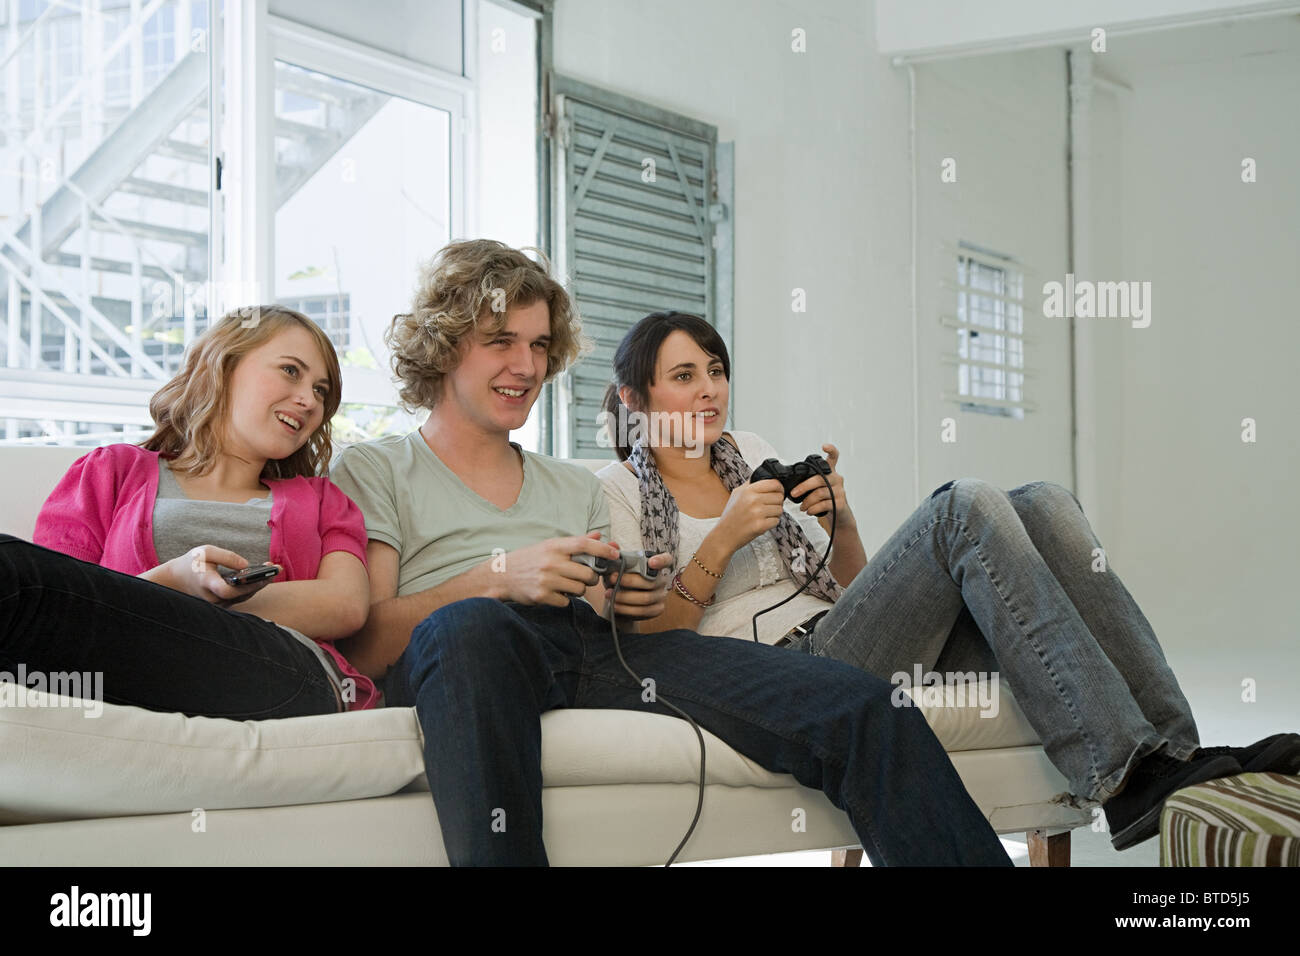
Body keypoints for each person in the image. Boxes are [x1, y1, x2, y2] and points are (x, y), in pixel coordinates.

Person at [329, 239, 1012, 867]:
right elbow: (365, 647)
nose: (526, 366)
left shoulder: (573, 484)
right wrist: (500, 578)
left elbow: (621, 627)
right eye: (501, 341)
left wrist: (635, 596)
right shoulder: (379, 469)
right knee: (471, 625)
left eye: (539, 345)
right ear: (446, 346)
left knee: (862, 705)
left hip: (590, 650)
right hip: (467, 651)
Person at [595, 310, 1300, 852]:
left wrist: (839, 523)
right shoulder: (617, 492)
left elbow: (851, 586)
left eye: (714, 368)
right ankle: (1124, 775)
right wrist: (721, 539)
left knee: (1045, 502)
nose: (710, 388)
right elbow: (653, 647)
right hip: (784, 677)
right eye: (683, 375)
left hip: (839, 634)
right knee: (961, 506)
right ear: (636, 396)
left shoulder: (749, 453)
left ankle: (1173, 752)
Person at [1, 304, 377, 720]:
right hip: (131, 671)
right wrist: (172, 582)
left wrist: (185, 596)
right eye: (291, 371)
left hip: (283, 672)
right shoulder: (110, 471)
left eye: (321, 390)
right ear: (224, 365)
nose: (308, 400)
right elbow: (62, 606)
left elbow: (345, 605)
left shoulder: (324, 499)